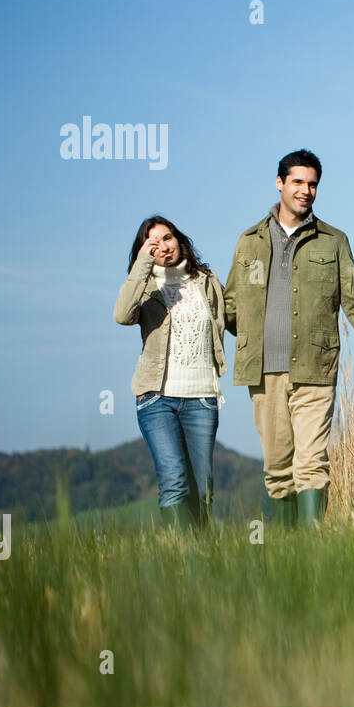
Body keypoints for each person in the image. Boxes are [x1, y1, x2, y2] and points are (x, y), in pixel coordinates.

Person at [224, 149, 354, 528]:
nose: (306, 191)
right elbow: (231, 308)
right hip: (263, 371)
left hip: (315, 369)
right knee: (277, 468)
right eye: (298, 182)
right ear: (280, 184)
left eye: (313, 184)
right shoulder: (248, 242)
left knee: (311, 463)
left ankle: (312, 554)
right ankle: (288, 558)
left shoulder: (333, 241)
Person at [113, 216, 227, 529]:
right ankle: (182, 558)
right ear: (143, 251)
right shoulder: (145, 287)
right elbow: (121, 315)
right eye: (153, 243)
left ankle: (201, 563)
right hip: (156, 399)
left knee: (203, 489)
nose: (163, 246)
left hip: (202, 397)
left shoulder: (206, 280)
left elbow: (235, 319)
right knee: (175, 480)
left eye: (168, 237)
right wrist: (142, 265)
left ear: (179, 239)